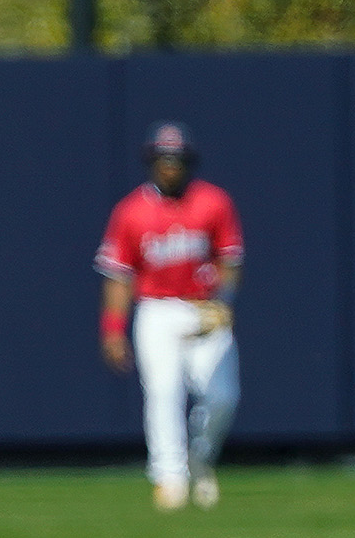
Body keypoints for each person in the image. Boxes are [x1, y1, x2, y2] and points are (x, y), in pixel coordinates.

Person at [96, 122, 244, 511]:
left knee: (223, 397)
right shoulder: (130, 211)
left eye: (177, 160)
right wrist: (113, 329)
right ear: (151, 162)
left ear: (189, 162)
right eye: (163, 159)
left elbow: (229, 259)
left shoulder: (213, 202)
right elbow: (117, 275)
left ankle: (200, 458)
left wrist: (223, 302)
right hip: (156, 310)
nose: (170, 167)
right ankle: (169, 478)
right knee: (163, 393)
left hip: (203, 307)